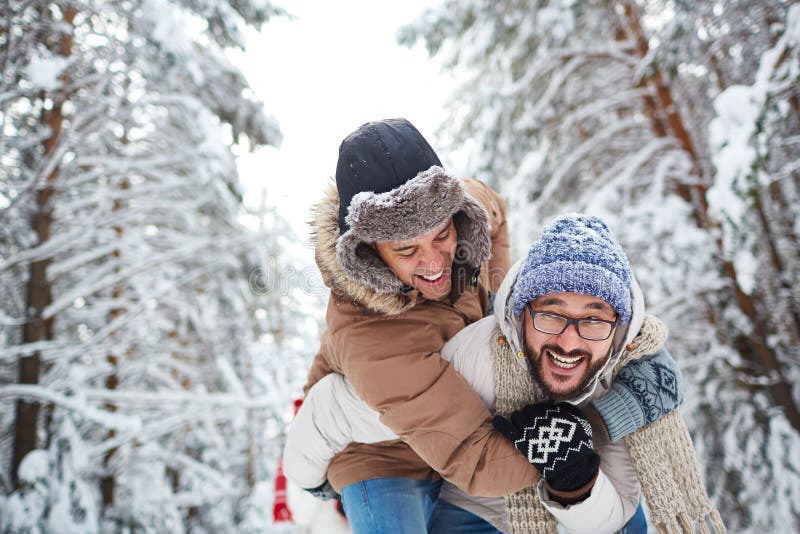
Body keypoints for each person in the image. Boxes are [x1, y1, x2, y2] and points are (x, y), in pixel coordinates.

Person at [290, 117, 685, 533]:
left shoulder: (464, 225)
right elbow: (477, 460)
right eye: (407, 250)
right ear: (368, 252)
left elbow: (492, 208)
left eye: (441, 235)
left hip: (459, 418)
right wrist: (589, 432)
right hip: (381, 453)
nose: (435, 263)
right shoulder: (373, 339)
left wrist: (498, 299)